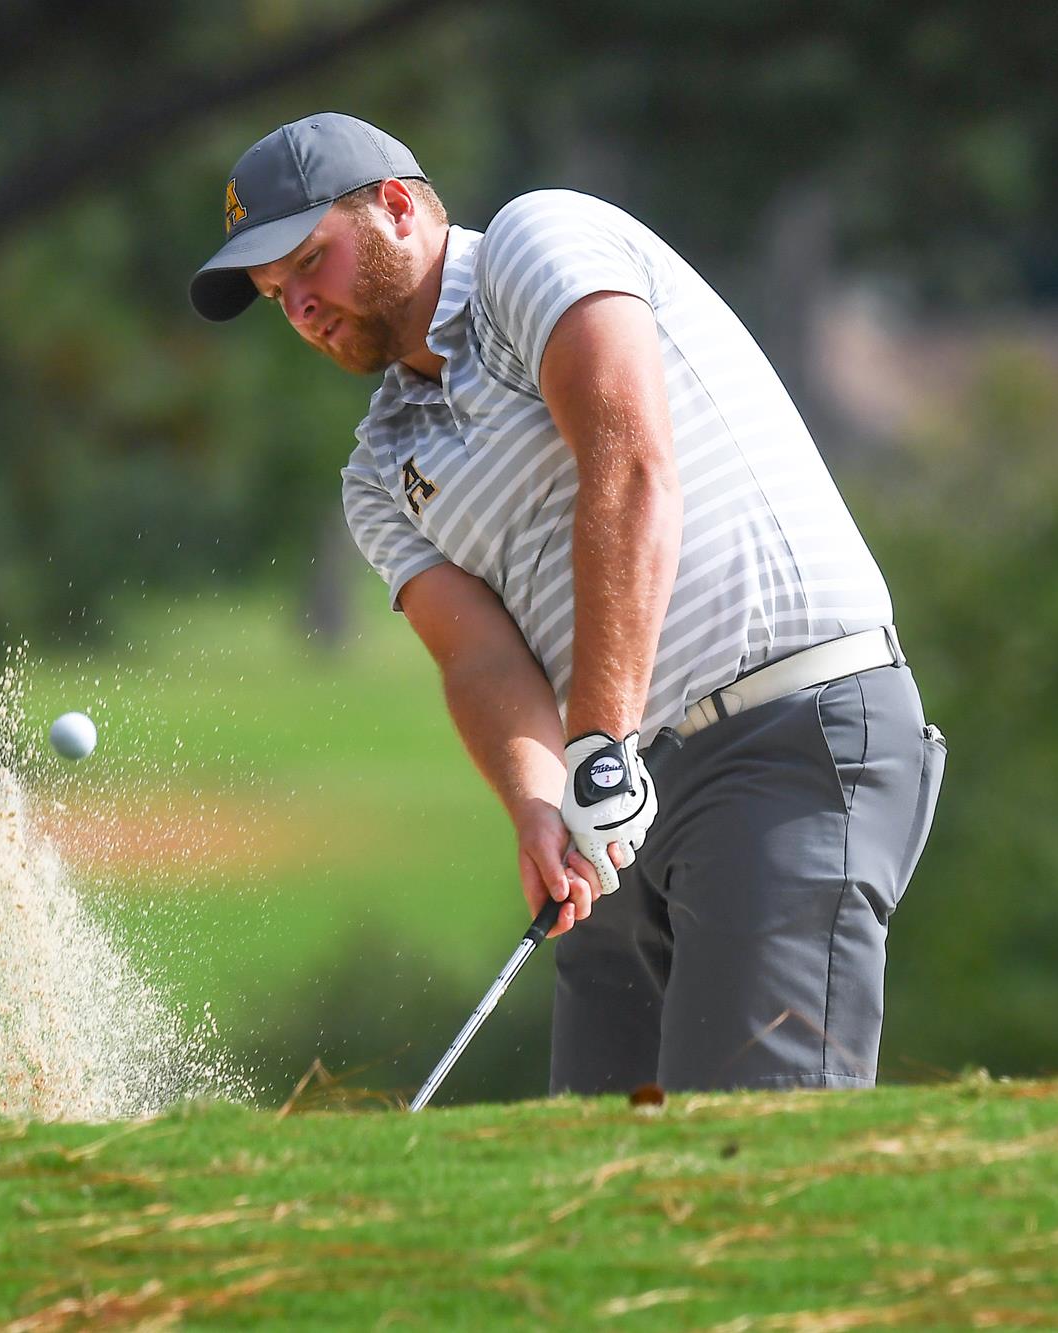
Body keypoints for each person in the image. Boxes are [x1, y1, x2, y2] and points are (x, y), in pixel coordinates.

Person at [190, 112, 945, 1093]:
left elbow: (626, 465)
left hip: (786, 738)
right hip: (623, 800)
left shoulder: (536, 243)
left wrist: (594, 742)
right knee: (589, 1169)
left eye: (309, 264)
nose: (299, 307)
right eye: (274, 295)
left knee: (754, 1162)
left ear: (394, 207)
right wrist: (539, 805)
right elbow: (479, 660)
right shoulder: (378, 474)